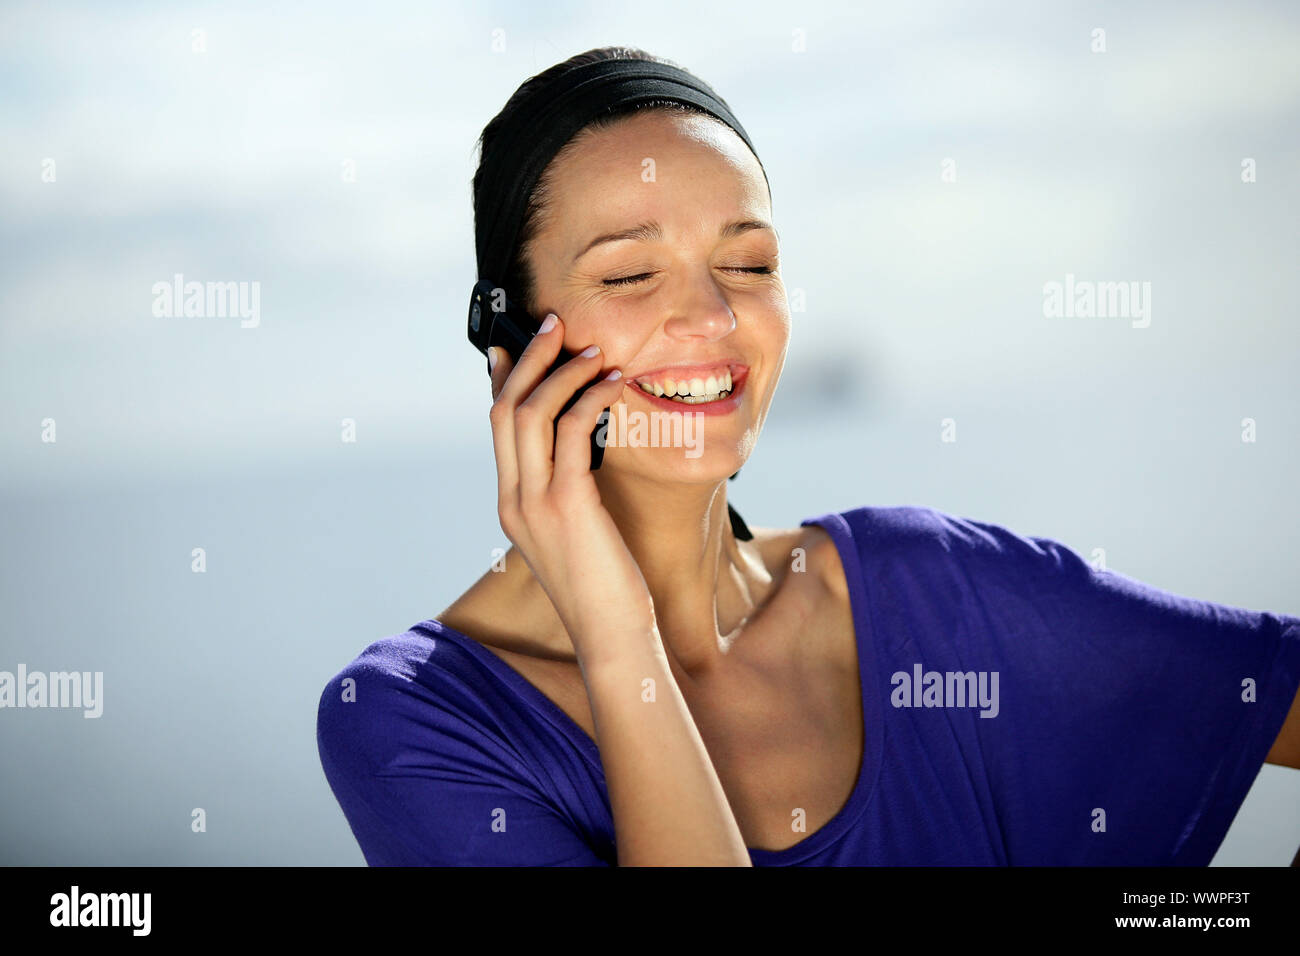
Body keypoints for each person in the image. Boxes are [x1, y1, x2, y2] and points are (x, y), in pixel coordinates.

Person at [316, 46, 1300, 866]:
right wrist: (621, 637)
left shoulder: (938, 592)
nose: (711, 314)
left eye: (748, 263)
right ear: (508, 340)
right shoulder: (415, 718)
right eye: (627, 272)